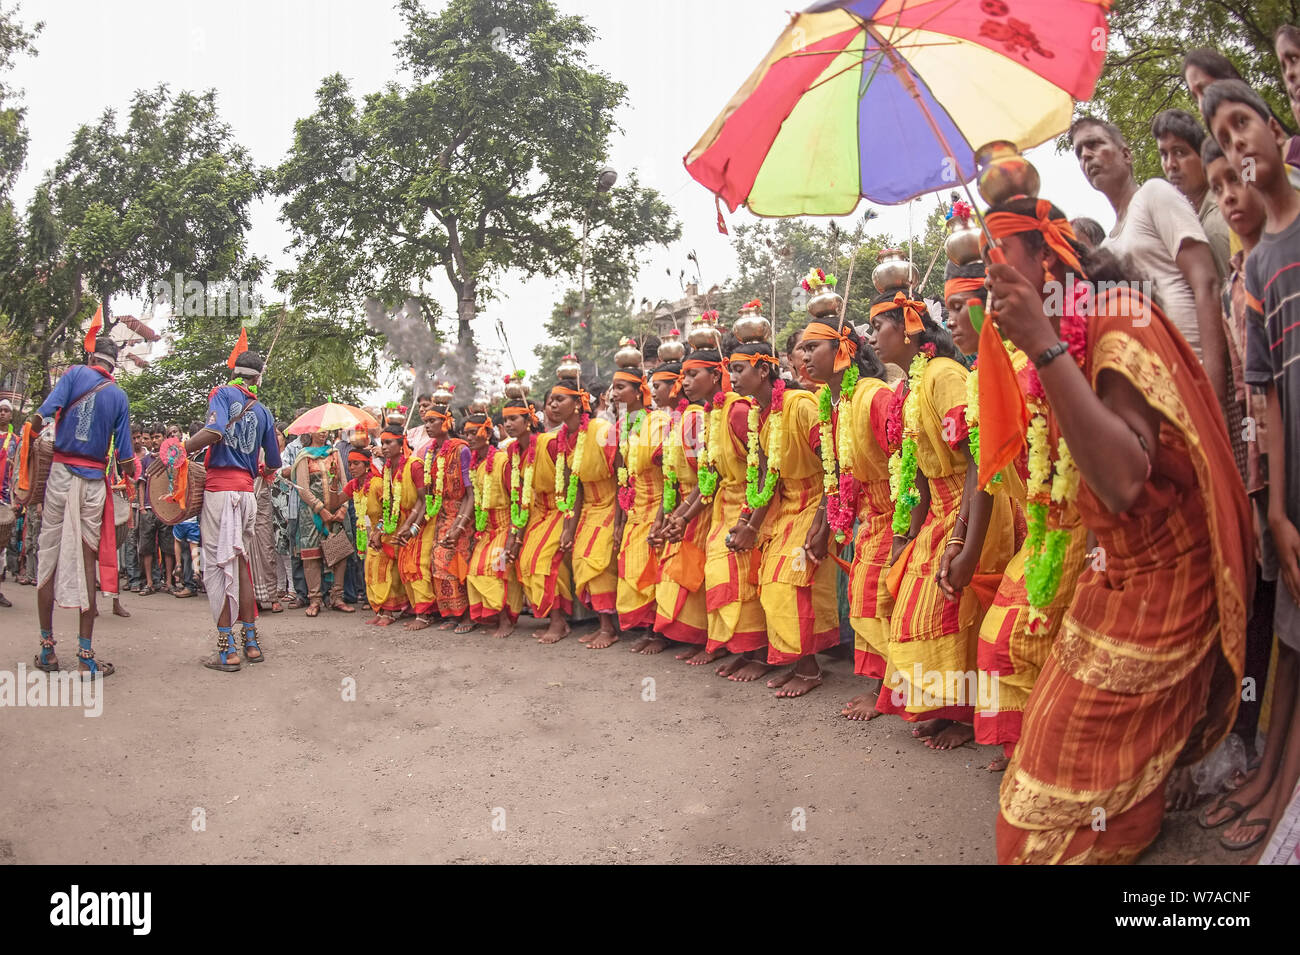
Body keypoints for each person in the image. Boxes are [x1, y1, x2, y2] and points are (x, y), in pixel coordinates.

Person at [984, 192, 1250, 864]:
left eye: (997, 255)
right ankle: (1143, 792)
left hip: (1168, 574)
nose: (988, 277)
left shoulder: (1116, 319)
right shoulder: (1072, 323)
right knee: (1026, 797)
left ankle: (1142, 798)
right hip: (1117, 569)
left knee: (1033, 840)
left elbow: (1126, 480)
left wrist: (1043, 345)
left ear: (1045, 258)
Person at [1204, 78, 1300, 861]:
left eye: (1244, 128)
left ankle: (1280, 791)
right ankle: (1272, 777)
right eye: (1223, 150)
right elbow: (1263, 397)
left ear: (1275, 128)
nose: (1238, 150)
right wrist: (1271, 503)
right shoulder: (1260, 265)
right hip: (1286, 485)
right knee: (1290, 639)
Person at [1200, 132, 1278, 787]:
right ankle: (1248, 743)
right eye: (1215, 183)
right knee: (1261, 605)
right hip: (1259, 467)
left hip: (1286, 466)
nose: (1229, 195)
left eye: (1237, 177)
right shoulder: (1234, 279)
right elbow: (1244, 395)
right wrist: (1256, 496)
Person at [1070, 116, 1230, 407]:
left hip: (1199, 376)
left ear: (1126, 154)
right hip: (1159, 395)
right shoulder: (1106, 247)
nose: (1086, 156)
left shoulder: (1154, 194)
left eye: (1094, 144)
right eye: (1080, 152)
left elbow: (1205, 282)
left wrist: (1214, 390)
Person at [798, 286, 898, 720]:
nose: (802, 358)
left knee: (876, 598)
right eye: (801, 349)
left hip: (895, 511)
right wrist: (823, 527)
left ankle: (890, 691)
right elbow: (835, 474)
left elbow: (906, 464)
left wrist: (909, 531)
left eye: (811, 348)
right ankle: (886, 689)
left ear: (843, 349)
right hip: (867, 516)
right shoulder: (832, 402)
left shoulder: (875, 396)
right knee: (866, 598)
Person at [728, 319, 838, 698]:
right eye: (729, 370)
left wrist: (824, 522)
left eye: (739, 369)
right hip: (787, 506)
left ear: (763, 369)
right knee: (770, 584)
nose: (732, 379)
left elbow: (834, 464)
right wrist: (749, 524)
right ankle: (799, 665)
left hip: (815, 502)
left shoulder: (799, 405)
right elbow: (765, 479)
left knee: (789, 582)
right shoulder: (759, 414)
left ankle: (809, 671)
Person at [156, 349, 281, 672]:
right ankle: (251, 643)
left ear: (234, 373)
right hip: (247, 493)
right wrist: (259, 468)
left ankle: (227, 650)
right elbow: (275, 463)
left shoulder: (222, 394)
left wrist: (179, 450)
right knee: (239, 564)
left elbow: (215, 431)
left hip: (221, 491)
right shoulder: (264, 410)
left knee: (218, 567)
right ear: (258, 378)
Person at [29, 335, 136, 677]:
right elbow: (125, 457)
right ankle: (86, 658)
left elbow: (41, 416)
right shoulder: (118, 395)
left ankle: (48, 650)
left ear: (92, 356)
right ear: (113, 364)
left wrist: (25, 450)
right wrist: (134, 476)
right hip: (92, 482)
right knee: (88, 558)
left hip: (60, 473)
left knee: (48, 554)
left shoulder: (73, 374)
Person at [549, 369, 620, 648]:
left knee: (597, 562)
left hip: (611, 502)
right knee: (580, 559)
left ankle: (608, 629)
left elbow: (620, 476)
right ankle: (603, 625)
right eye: (551, 401)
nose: (553, 405)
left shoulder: (603, 431)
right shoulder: (563, 438)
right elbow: (573, 487)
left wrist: (619, 521)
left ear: (578, 403)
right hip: (589, 507)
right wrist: (569, 526)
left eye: (559, 400)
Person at [650, 360, 713, 659]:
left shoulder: (695, 418)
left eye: (658, 385)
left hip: (703, 505)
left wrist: (683, 515)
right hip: (685, 505)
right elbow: (669, 478)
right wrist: (666, 516)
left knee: (693, 570)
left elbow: (707, 475)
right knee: (676, 570)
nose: (653, 392)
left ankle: (705, 640)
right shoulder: (676, 418)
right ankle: (683, 636)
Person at [504, 395, 573, 642]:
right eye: (505, 420)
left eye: (513, 419)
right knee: (524, 561)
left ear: (529, 420)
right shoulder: (513, 451)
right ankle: (552, 618)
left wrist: (569, 526)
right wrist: (517, 536)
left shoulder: (549, 443)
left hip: (560, 509)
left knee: (542, 562)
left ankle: (559, 622)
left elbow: (570, 484)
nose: (508, 425)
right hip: (536, 513)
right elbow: (521, 496)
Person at [611, 357, 668, 652]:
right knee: (633, 571)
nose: (614, 393)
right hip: (633, 511)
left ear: (639, 391)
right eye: (613, 388)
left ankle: (660, 634)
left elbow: (667, 473)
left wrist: (662, 516)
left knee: (654, 572)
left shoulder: (657, 422)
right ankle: (648, 629)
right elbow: (622, 479)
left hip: (657, 505)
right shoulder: (620, 426)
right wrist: (619, 523)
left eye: (621, 387)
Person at [410, 396, 474, 632]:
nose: (427, 426)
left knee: (456, 563)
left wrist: (460, 526)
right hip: (440, 514)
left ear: (446, 422)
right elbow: (427, 496)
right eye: (425, 421)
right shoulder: (430, 453)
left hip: (461, 513)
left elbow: (470, 493)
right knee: (437, 564)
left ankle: (467, 616)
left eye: (432, 421)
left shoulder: (460, 449)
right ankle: (452, 614)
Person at [1151, 108, 1231, 279]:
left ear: (1203, 156)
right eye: (1164, 155)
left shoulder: (1217, 223)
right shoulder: (1193, 223)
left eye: (1180, 152)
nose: (1171, 164)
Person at [464, 411, 522, 638]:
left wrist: (513, 536)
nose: (469, 437)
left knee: (493, 570)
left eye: (473, 432)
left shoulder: (501, 461)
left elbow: (516, 498)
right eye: (466, 433)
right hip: (486, 529)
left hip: (505, 525)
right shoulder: (475, 464)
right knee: (475, 571)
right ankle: (496, 617)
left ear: (487, 433)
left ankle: (506, 621)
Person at [293, 428, 353, 616]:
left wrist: (343, 507)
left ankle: (337, 597)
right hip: (312, 515)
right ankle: (315, 599)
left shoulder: (333, 453)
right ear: (309, 432)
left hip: (336, 511)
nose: (323, 434)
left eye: (326, 431)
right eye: (319, 431)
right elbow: (303, 488)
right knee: (312, 556)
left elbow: (344, 482)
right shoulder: (304, 456)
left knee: (339, 553)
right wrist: (321, 509)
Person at [364, 424, 410, 626]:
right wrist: (380, 529)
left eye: (389, 442)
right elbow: (389, 503)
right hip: (391, 523)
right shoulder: (387, 469)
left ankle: (392, 610)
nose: (384, 447)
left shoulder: (411, 465)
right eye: (382, 443)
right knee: (374, 562)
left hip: (411, 523)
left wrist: (410, 527)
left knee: (389, 565)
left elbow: (422, 500)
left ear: (402, 444)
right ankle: (383, 608)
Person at [0, 398, 17, 608]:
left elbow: (19, 471)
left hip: (4, 498)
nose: (2, 413)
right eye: (0, 410)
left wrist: (16, 500)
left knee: (1, 547)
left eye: (6, 411)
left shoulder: (16, 440)